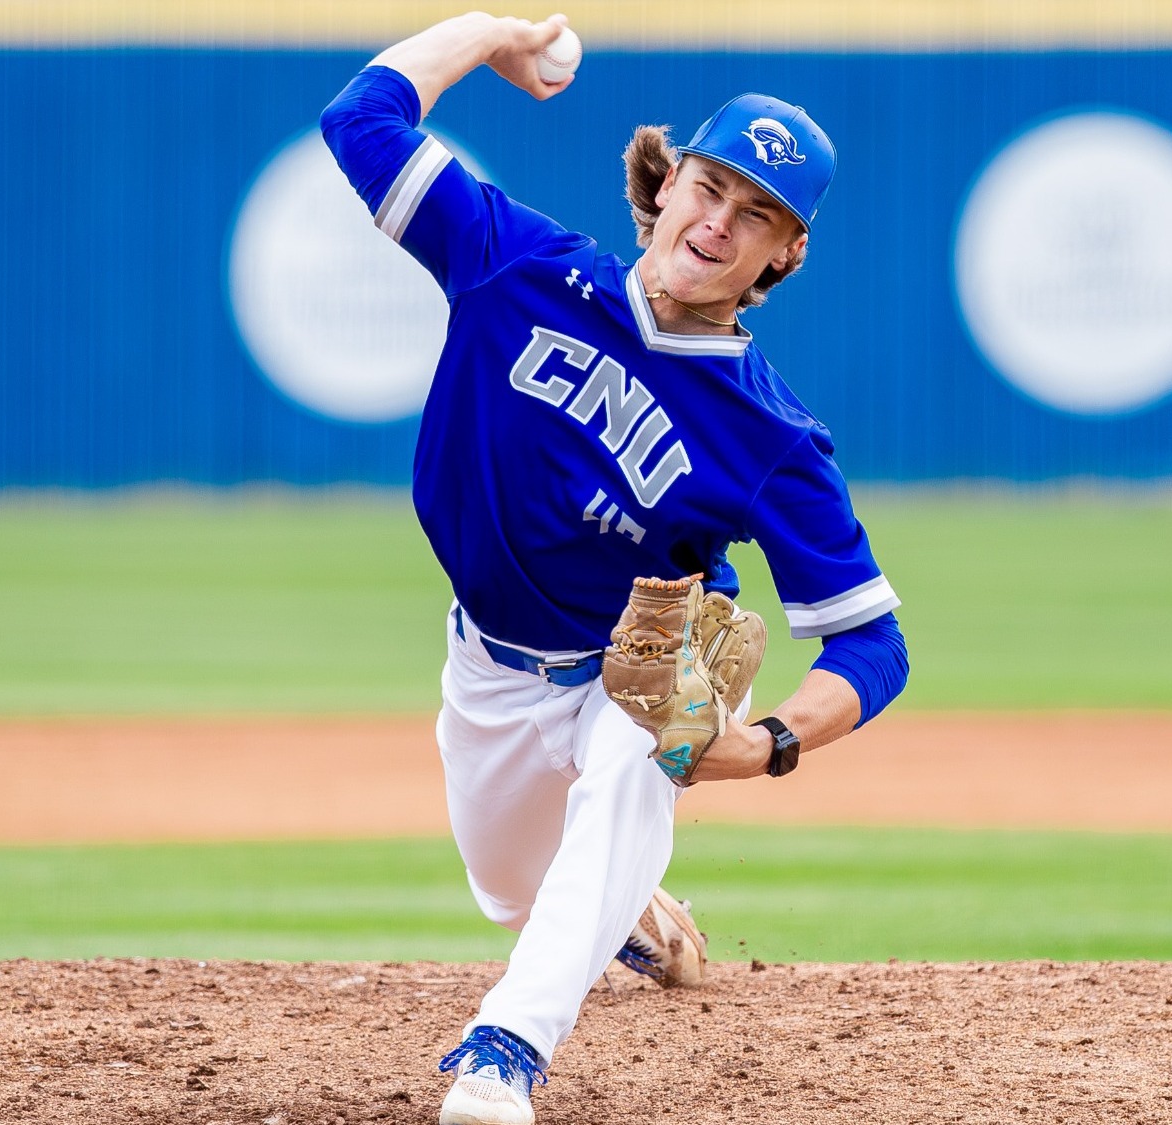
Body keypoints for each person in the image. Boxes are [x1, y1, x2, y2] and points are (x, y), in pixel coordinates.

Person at [320, 13, 910, 1125]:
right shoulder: (514, 266)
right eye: (709, 186)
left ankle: (500, 1057)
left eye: (758, 216)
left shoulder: (768, 435)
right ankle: (627, 907)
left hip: (633, 662)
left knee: (650, 726)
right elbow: (361, 117)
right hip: (486, 662)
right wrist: (489, 32)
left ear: (784, 254)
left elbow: (872, 642)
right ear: (666, 184)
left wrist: (765, 744)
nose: (718, 223)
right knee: (508, 889)